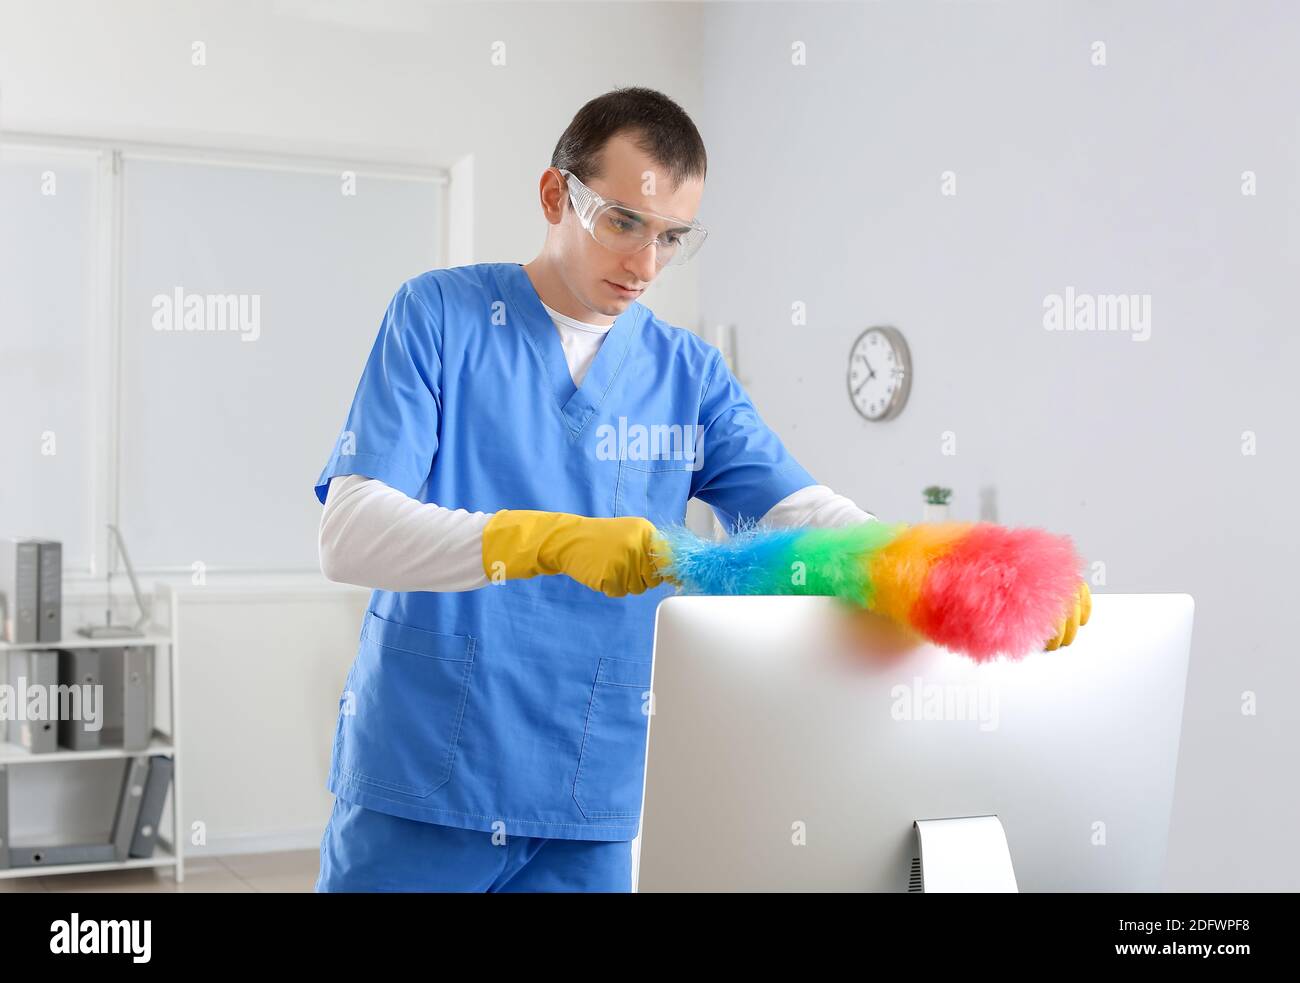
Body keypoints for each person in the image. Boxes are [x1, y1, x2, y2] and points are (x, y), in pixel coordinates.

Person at [312, 87, 1085, 892]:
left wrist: (965, 569)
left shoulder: (689, 374)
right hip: (426, 772)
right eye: (623, 222)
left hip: (592, 791)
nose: (646, 265)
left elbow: (803, 515)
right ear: (555, 195)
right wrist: (544, 539)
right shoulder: (440, 316)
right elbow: (350, 531)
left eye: (673, 237)